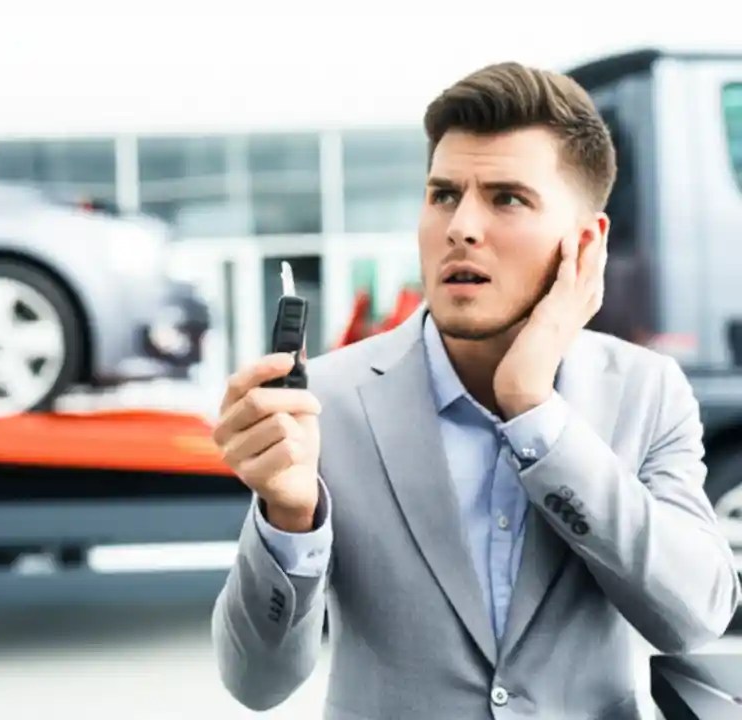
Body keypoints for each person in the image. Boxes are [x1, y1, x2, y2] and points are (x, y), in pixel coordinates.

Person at [209, 61, 742, 719]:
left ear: (586, 244)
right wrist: (289, 518)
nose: (461, 225)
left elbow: (694, 617)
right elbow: (255, 685)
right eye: (442, 195)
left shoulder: (645, 390)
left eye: (507, 198)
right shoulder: (329, 401)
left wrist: (534, 409)